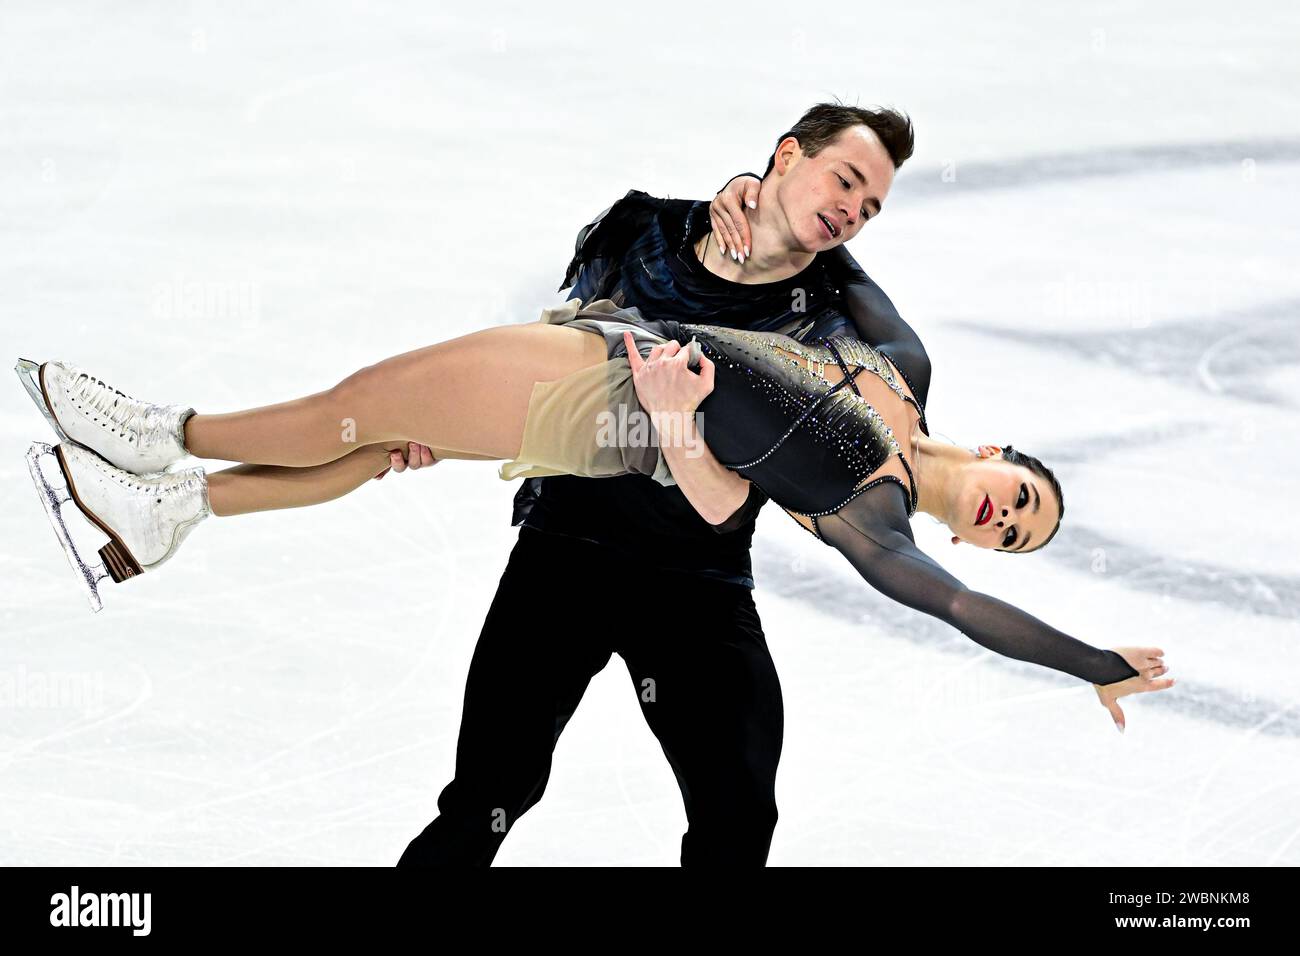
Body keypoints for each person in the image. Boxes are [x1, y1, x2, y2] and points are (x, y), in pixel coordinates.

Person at [14, 103, 1175, 866]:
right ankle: (169, 459)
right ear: (1001, 452)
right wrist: (745, 213)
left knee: (739, 822)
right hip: (579, 465)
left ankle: (170, 489)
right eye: (1022, 494)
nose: (1003, 514)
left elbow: (944, 603)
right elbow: (815, 245)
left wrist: (1087, 661)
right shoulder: (879, 350)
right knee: (364, 432)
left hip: (666, 528)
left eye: (1014, 533)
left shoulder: (871, 508)